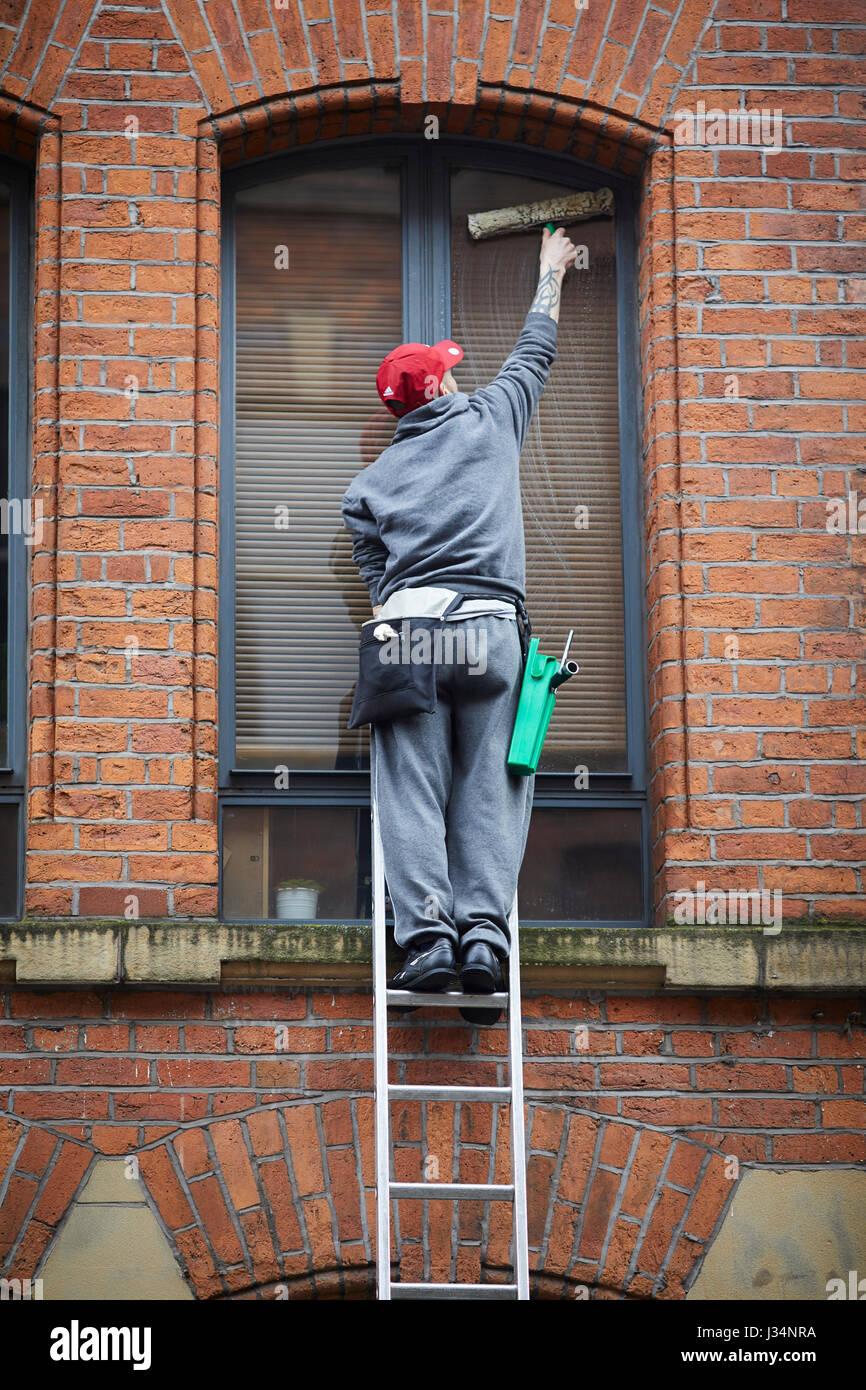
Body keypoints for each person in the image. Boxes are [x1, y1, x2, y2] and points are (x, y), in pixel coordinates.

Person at [341, 227, 578, 1023]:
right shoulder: (491, 420)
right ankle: (484, 936)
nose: (458, 375)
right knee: (492, 780)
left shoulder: (367, 483)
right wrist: (551, 271)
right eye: (449, 371)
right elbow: (535, 348)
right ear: (439, 391)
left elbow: (378, 581)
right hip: (488, 628)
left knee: (410, 787)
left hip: (411, 632)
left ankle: (427, 943)